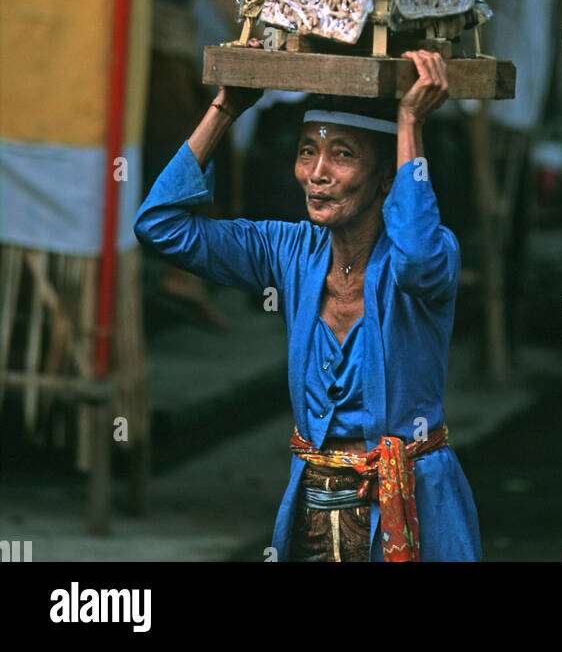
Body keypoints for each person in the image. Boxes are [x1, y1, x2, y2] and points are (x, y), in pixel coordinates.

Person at [134, 49, 482, 562]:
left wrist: (410, 122)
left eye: (342, 155)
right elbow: (160, 226)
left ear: (387, 176)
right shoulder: (287, 250)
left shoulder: (431, 253)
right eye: (306, 152)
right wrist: (226, 109)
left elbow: (416, 261)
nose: (316, 173)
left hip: (413, 509)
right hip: (313, 514)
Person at [143, 0, 246, 329]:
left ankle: (175, 275)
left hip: (139, 32)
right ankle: (180, 276)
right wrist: (251, 34)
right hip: (161, 38)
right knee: (191, 154)